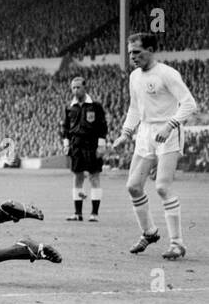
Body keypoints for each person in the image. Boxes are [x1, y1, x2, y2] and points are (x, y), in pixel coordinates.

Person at [113, 33, 198, 260]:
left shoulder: (167, 74)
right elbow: (134, 108)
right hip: (145, 132)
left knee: (162, 187)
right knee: (133, 186)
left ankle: (177, 244)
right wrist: (125, 133)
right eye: (130, 52)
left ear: (150, 50)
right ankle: (149, 232)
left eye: (137, 52)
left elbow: (189, 104)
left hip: (167, 132)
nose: (132, 56)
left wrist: (170, 126)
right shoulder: (134, 77)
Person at [61, 75, 108, 222]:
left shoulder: (95, 105)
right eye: (73, 88)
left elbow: (102, 126)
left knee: (94, 177)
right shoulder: (69, 107)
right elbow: (65, 128)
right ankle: (77, 213)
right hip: (76, 145)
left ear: (84, 87)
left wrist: (101, 145)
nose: (75, 90)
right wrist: (66, 144)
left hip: (91, 144)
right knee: (77, 177)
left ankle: (94, 213)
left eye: (78, 87)